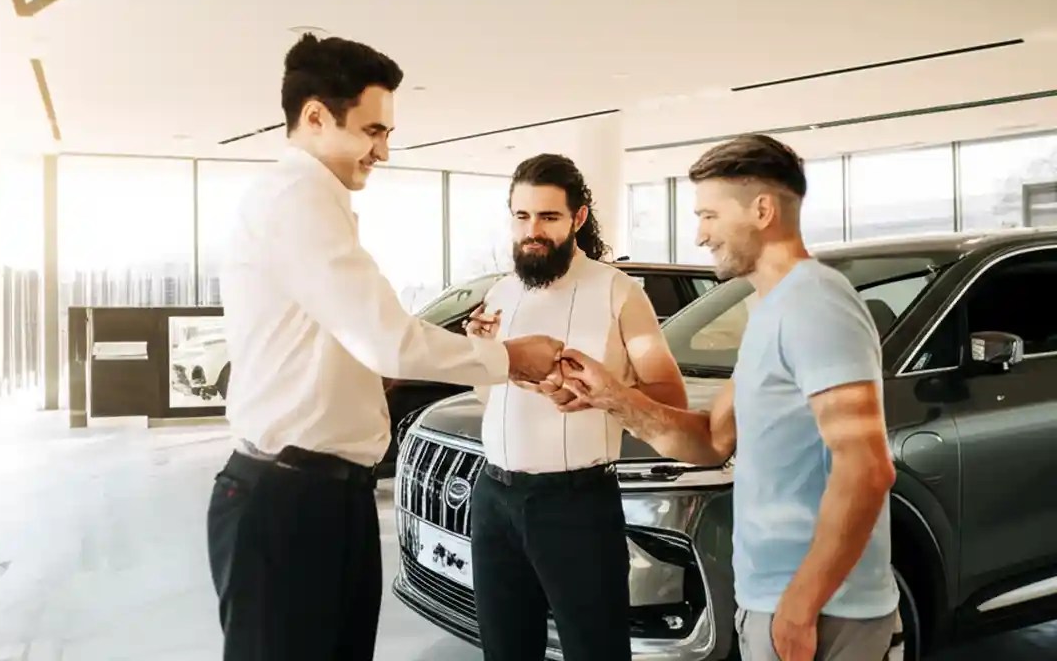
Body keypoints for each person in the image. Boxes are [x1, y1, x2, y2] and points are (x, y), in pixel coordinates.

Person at [207, 33, 564, 661]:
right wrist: (511, 358)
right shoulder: (297, 198)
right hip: (289, 501)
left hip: (321, 496)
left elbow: (353, 338)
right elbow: (386, 340)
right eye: (373, 130)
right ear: (316, 116)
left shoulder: (312, 202)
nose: (385, 150)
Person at [557, 134, 901, 661]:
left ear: (762, 210)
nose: (699, 235)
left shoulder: (817, 304)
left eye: (710, 216)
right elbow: (714, 439)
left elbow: (867, 469)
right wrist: (613, 398)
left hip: (825, 612)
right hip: (774, 601)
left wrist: (801, 605)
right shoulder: (770, 310)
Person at [462, 153, 688, 661]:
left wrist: (606, 395)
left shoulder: (618, 292)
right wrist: (482, 357)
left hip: (575, 504)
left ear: (578, 218)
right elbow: (490, 400)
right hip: (494, 496)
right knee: (504, 650)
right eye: (522, 217)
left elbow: (670, 396)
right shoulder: (502, 290)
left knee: (595, 651)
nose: (532, 232)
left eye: (548, 217)